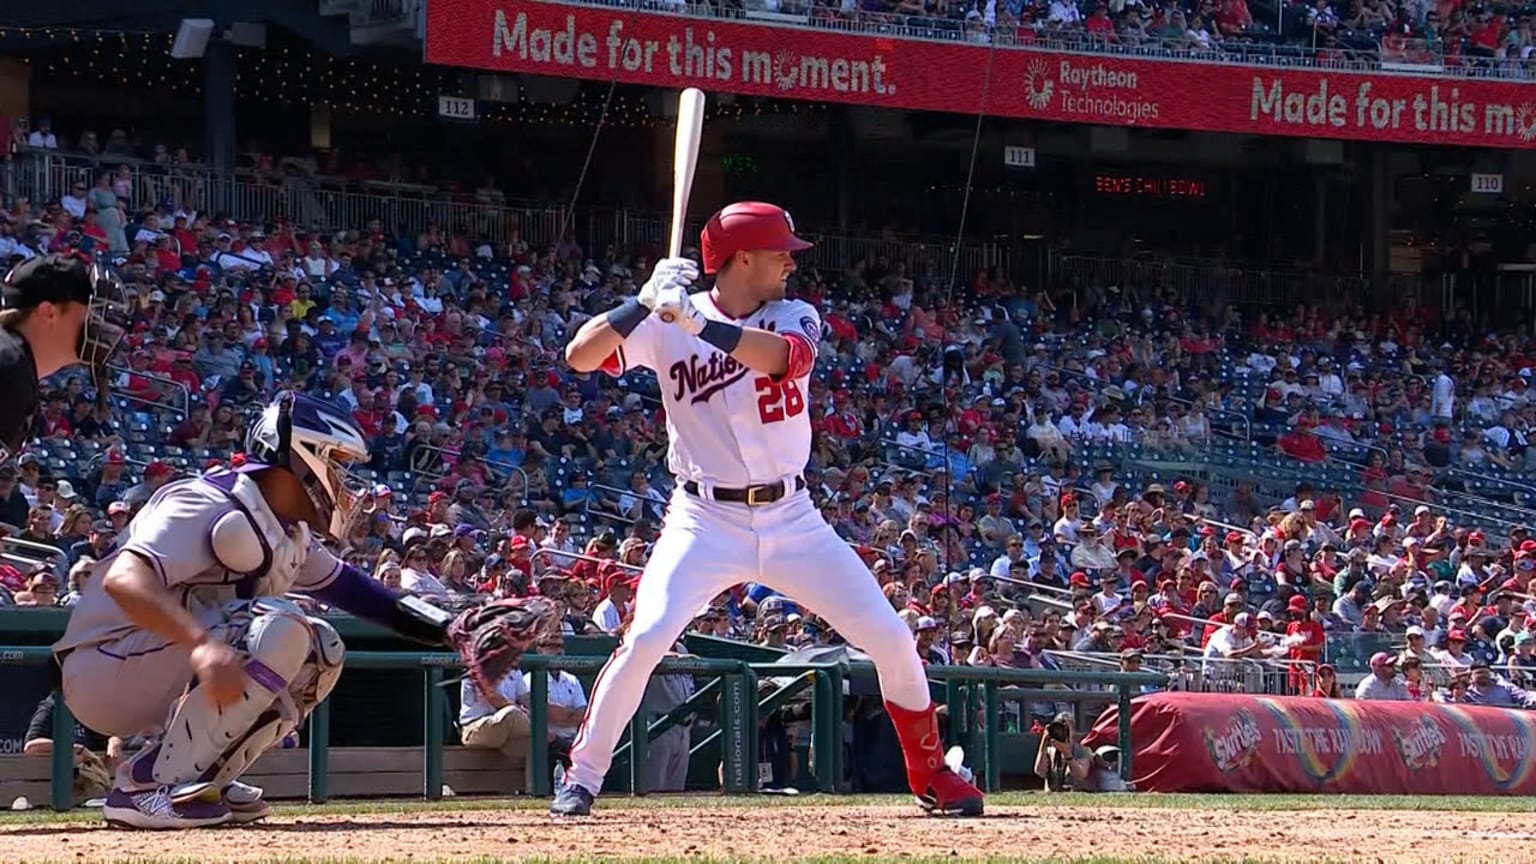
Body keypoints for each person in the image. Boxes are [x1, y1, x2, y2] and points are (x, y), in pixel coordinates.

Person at [556, 201, 983, 817]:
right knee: (646, 637)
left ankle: (932, 776)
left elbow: (785, 360)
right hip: (702, 518)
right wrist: (641, 305)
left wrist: (696, 327)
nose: (790, 260)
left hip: (793, 518)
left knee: (891, 639)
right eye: (780, 250)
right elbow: (579, 356)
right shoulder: (666, 315)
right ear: (742, 258)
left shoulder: (793, 314)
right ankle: (583, 777)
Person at [51, 393, 466, 830]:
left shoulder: (282, 527)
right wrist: (201, 645)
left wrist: (453, 629)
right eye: (338, 464)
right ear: (304, 458)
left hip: (150, 660)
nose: (346, 483)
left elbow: (360, 594)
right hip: (105, 661)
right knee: (281, 626)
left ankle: (198, 775)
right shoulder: (205, 501)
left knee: (322, 648)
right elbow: (124, 580)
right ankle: (143, 789)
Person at [0, 254, 125, 463]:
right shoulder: (8, 368)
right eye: (91, 314)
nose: (101, 326)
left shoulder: (17, 363)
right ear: (49, 312)